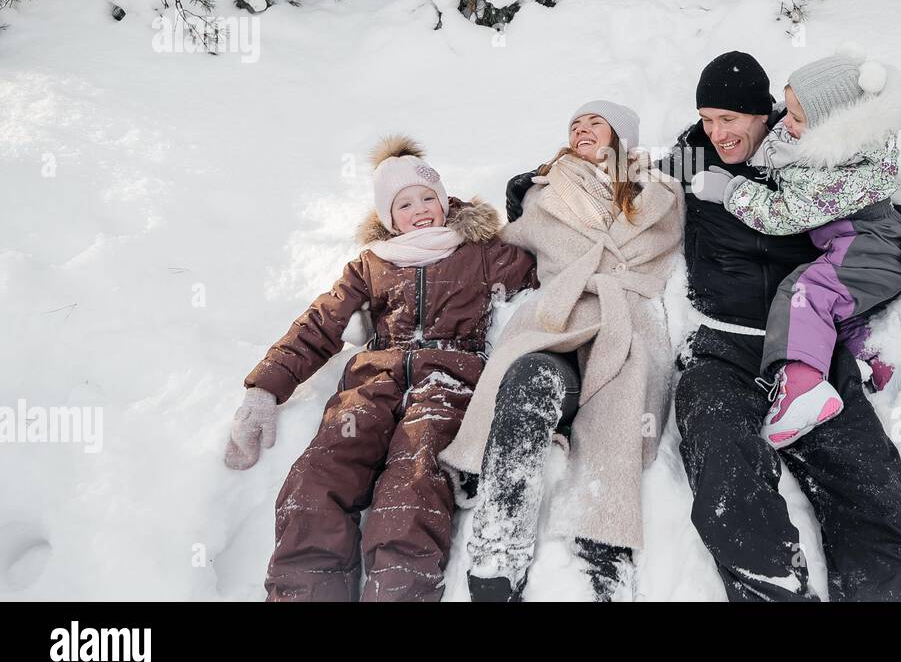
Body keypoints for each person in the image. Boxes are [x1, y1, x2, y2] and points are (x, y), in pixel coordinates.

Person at [663, 50, 901, 601]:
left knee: (864, 473)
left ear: (764, 113)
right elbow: (617, 176)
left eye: (730, 120)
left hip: (811, 348)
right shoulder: (692, 157)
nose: (717, 132)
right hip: (721, 346)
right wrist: (538, 184)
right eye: (707, 119)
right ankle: (775, 591)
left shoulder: (812, 146)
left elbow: (872, 206)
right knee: (724, 461)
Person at [223, 135, 536, 601]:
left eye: (428, 197)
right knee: (320, 473)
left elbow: (546, 269)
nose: (421, 210)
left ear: (446, 200)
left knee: (413, 481)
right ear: (389, 218)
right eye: (405, 204)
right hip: (373, 381)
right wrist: (264, 388)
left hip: (448, 380)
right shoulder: (372, 265)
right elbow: (318, 325)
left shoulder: (481, 250)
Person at [441, 101, 685, 601]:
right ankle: (498, 544)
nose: (581, 128)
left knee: (620, 401)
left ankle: (603, 548)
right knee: (528, 378)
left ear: (623, 137)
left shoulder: (664, 194)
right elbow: (495, 245)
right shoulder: (544, 193)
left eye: (595, 121)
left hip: (628, 324)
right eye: (575, 123)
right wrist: (457, 217)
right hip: (560, 319)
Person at [690, 52, 901, 449]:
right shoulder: (834, 145)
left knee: (804, 293)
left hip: (863, 247)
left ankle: (801, 385)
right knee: (840, 318)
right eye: (707, 119)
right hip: (859, 245)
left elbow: (785, 213)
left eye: (728, 119)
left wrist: (731, 191)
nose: (785, 122)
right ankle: (884, 369)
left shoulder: (833, 166)